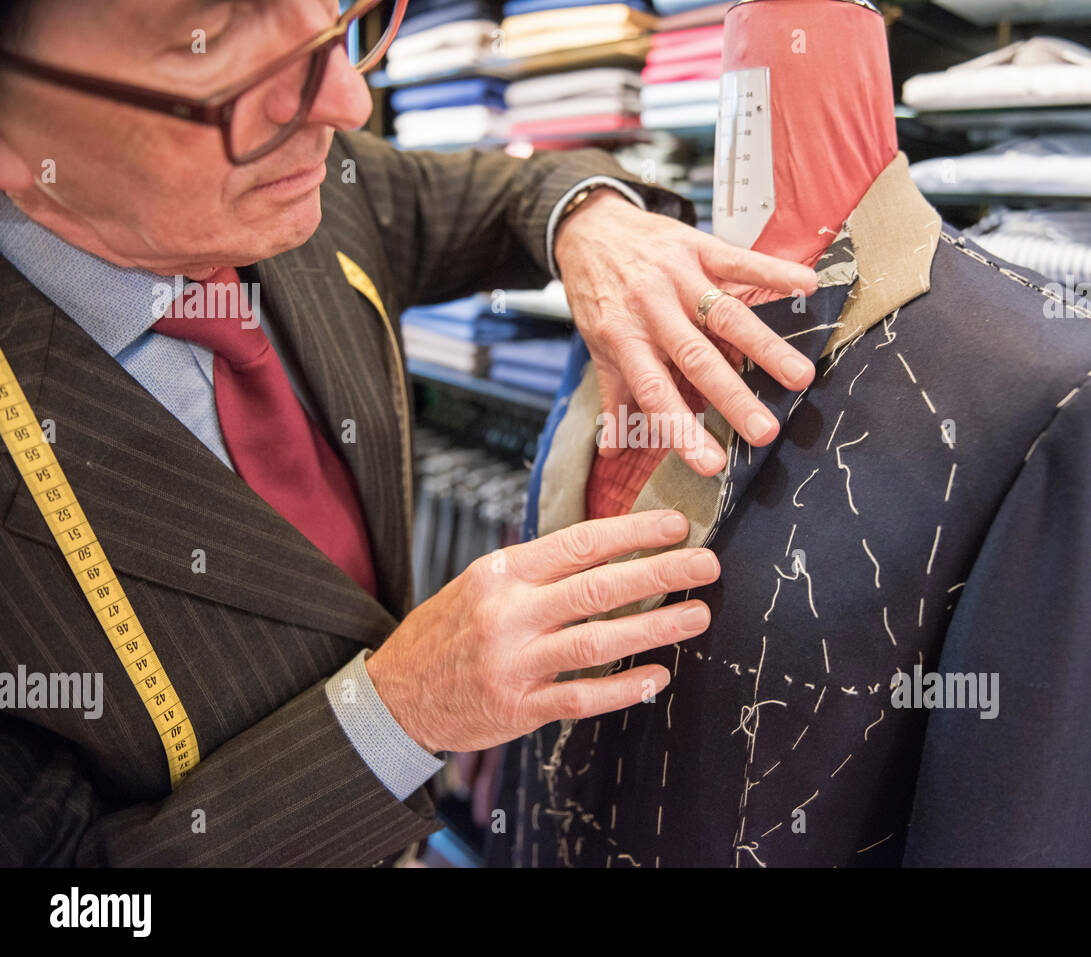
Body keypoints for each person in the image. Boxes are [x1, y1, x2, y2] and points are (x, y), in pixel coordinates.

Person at [0, 0, 816, 865]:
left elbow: (503, 192)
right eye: (217, 45)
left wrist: (592, 221)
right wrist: (394, 716)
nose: (347, 100)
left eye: (335, 15)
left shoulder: (304, 181)